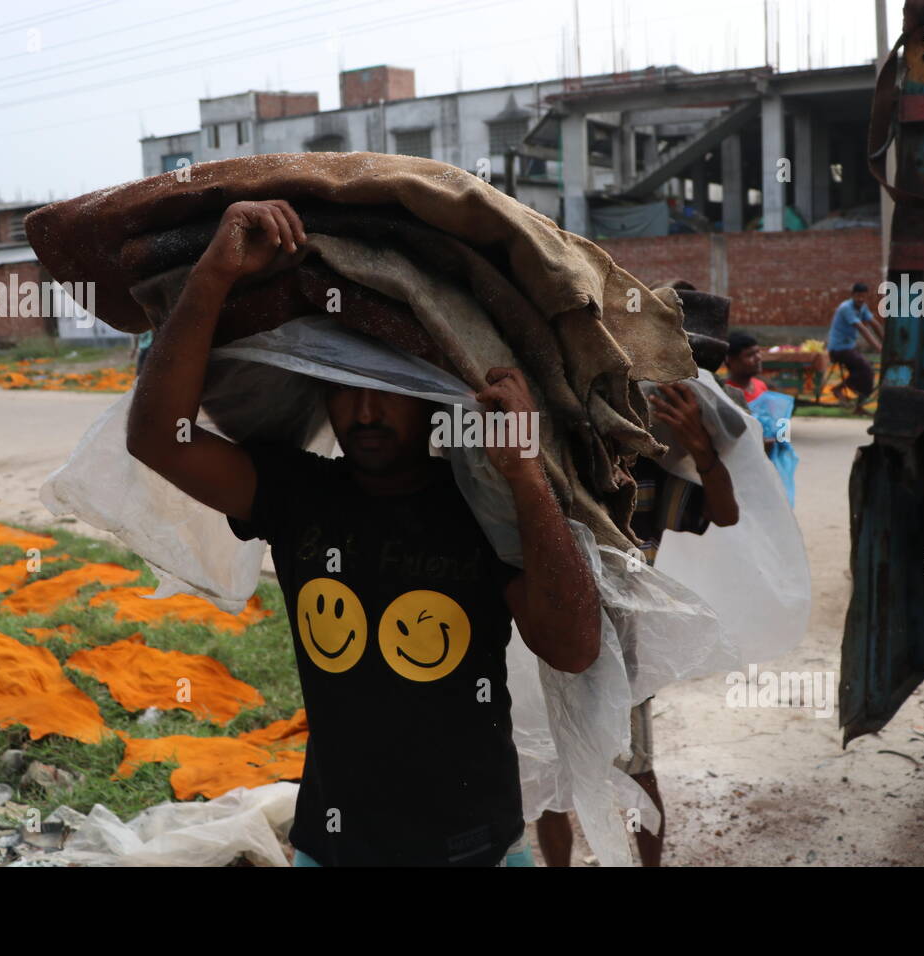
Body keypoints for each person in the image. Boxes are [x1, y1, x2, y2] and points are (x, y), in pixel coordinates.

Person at [125, 199, 602, 867]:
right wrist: (211, 277)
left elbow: (573, 646)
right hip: (334, 846)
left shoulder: (482, 506)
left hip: (475, 849)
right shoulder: (296, 493)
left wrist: (524, 475)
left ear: (432, 394)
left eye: (390, 388)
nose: (367, 411)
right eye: (347, 385)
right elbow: (157, 438)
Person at [535, 379, 739, 868]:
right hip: (545, 639)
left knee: (638, 772)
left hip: (622, 652)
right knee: (552, 775)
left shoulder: (645, 478)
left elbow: (725, 513)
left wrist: (702, 450)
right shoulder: (553, 467)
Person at [827, 282, 883, 414]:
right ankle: (838, 389)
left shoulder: (862, 307)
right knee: (866, 370)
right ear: (852, 295)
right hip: (838, 349)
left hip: (849, 348)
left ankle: (858, 406)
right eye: (858, 296)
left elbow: (874, 324)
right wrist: (879, 348)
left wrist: (886, 342)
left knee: (866, 372)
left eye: (863, 296)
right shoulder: (846, 308)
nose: (860, 299)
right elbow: (863, 329)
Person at [724, 332, 768, 407]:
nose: (758, 358)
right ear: (731, 360)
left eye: (758, 352)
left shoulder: (761, 386)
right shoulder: (725, 393)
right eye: (750, 355)